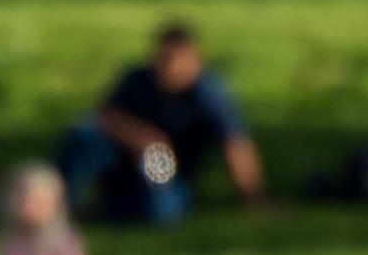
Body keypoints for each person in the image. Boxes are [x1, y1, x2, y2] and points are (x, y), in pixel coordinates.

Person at [54, 21, 267, 225]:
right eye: (162, 58)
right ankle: (59, 206)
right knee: (85, 136)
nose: (167, 66)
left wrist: (254, 199)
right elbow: (105, 114)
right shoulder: (138, 80)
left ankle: (105, 213)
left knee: (162, 210)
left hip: (167, 174)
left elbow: (235, 144)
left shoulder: (207, 95)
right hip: (125, 159)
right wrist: (142, 138)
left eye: (173, 59)